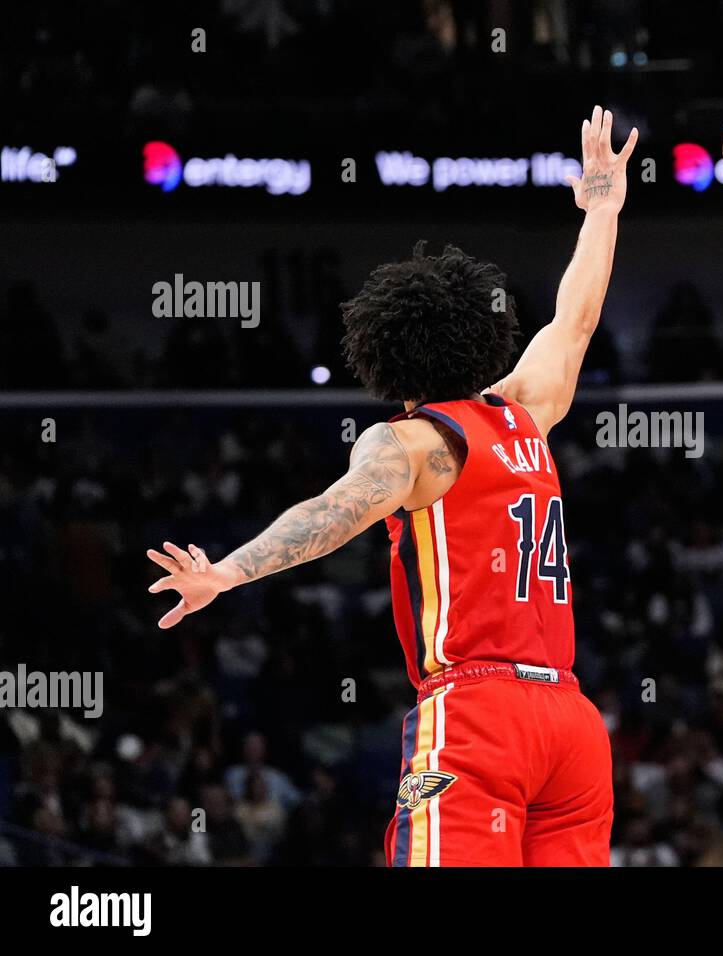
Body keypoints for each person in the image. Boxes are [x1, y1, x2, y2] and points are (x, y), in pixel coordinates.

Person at [145, 106, 638, 866]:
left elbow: (335, 512)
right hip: (572, 723)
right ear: (481, 339)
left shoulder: (412, 442)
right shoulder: (526, 412)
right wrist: (603, 208)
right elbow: (575, 320)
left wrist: (228, 572)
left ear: (385, 359)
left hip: (479, 714)